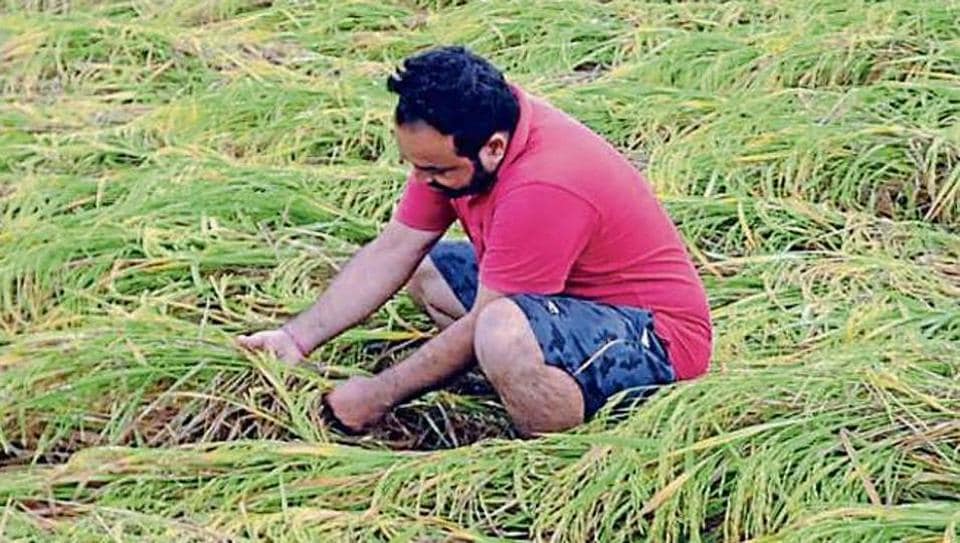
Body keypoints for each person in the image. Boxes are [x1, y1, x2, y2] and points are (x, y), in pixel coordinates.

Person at [236, 46, 712, 437]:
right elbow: (397, 246)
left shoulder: (543, 186)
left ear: (494, 148)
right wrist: (296, 338)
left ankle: (560, 446)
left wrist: (377, 394)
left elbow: (491, 313)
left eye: (436, 169)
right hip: (562, 301)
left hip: (658, 340)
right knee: (429, 270)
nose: (421, 180)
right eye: (415, 165)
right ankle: (528, 371)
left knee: (500, 330)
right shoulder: (465, 147)